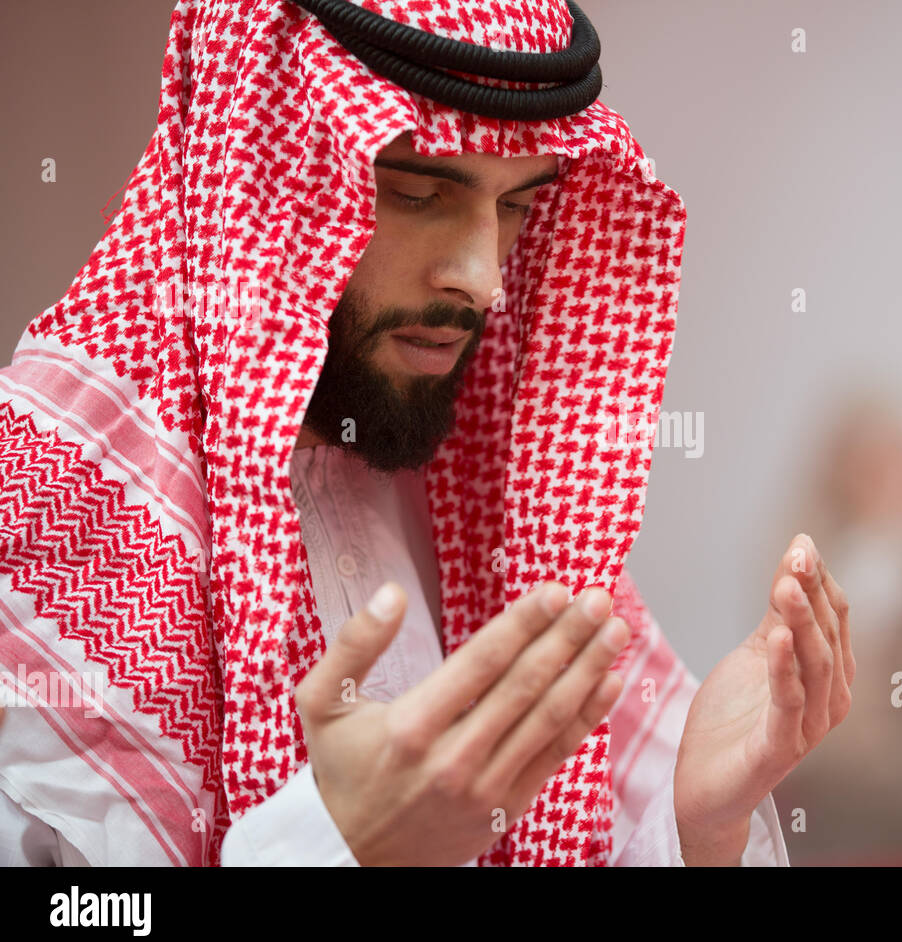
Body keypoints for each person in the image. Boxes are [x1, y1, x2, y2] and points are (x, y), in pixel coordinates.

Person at [0, 0, 853, 866]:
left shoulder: (471, 484)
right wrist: (331, 847)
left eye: (516, 205)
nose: (484, 280)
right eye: (417, 191)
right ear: (257, 168)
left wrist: (696, 823)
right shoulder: (32, 498)